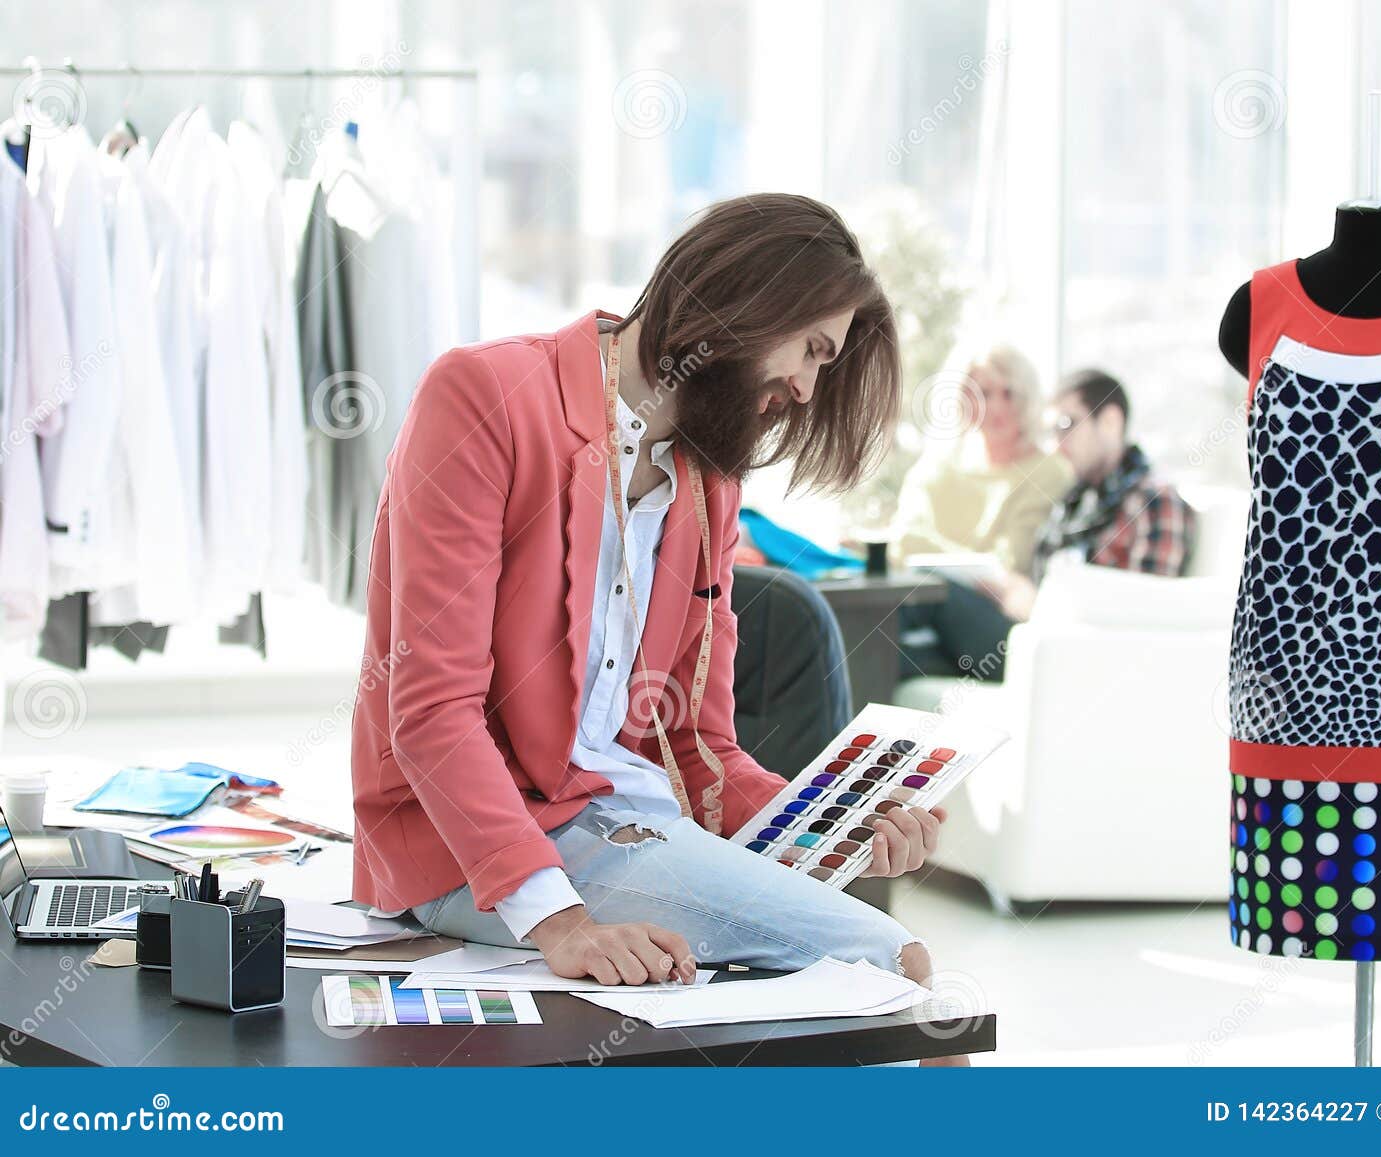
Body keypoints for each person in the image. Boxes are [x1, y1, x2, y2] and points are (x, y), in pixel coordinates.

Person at [349, 194, 967, 1062]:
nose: (805, 388)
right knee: (892, 963)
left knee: (867, 984)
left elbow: (696, 741)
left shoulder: (706, 480)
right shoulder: (487, 395)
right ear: (747, 300)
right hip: (465, 845)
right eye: (813, 351)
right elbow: (430, 709)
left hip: (622, 824)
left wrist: (834, 833)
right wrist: (559, 920)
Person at [903, 368, 1196, 681]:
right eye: (1052, 432)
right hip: (1036, 632)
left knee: (927, 589)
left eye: (1067, 425)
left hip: (1073, 653)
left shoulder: (1154, 500)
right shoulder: (1079, 499)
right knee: (899, 656)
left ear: (1110, 421)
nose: (1058, 445)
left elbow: (1146, 616)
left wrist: (1043, 605)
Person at [891, 342, 1073, 575]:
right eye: (984, 394)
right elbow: (903, 541)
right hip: (923, 594)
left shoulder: (1050, 472)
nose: (997, 407)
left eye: (1009, 393)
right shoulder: (935, 470)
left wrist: (927, 555)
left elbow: (1012, 566)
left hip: (996, 605)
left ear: (1028, 398)